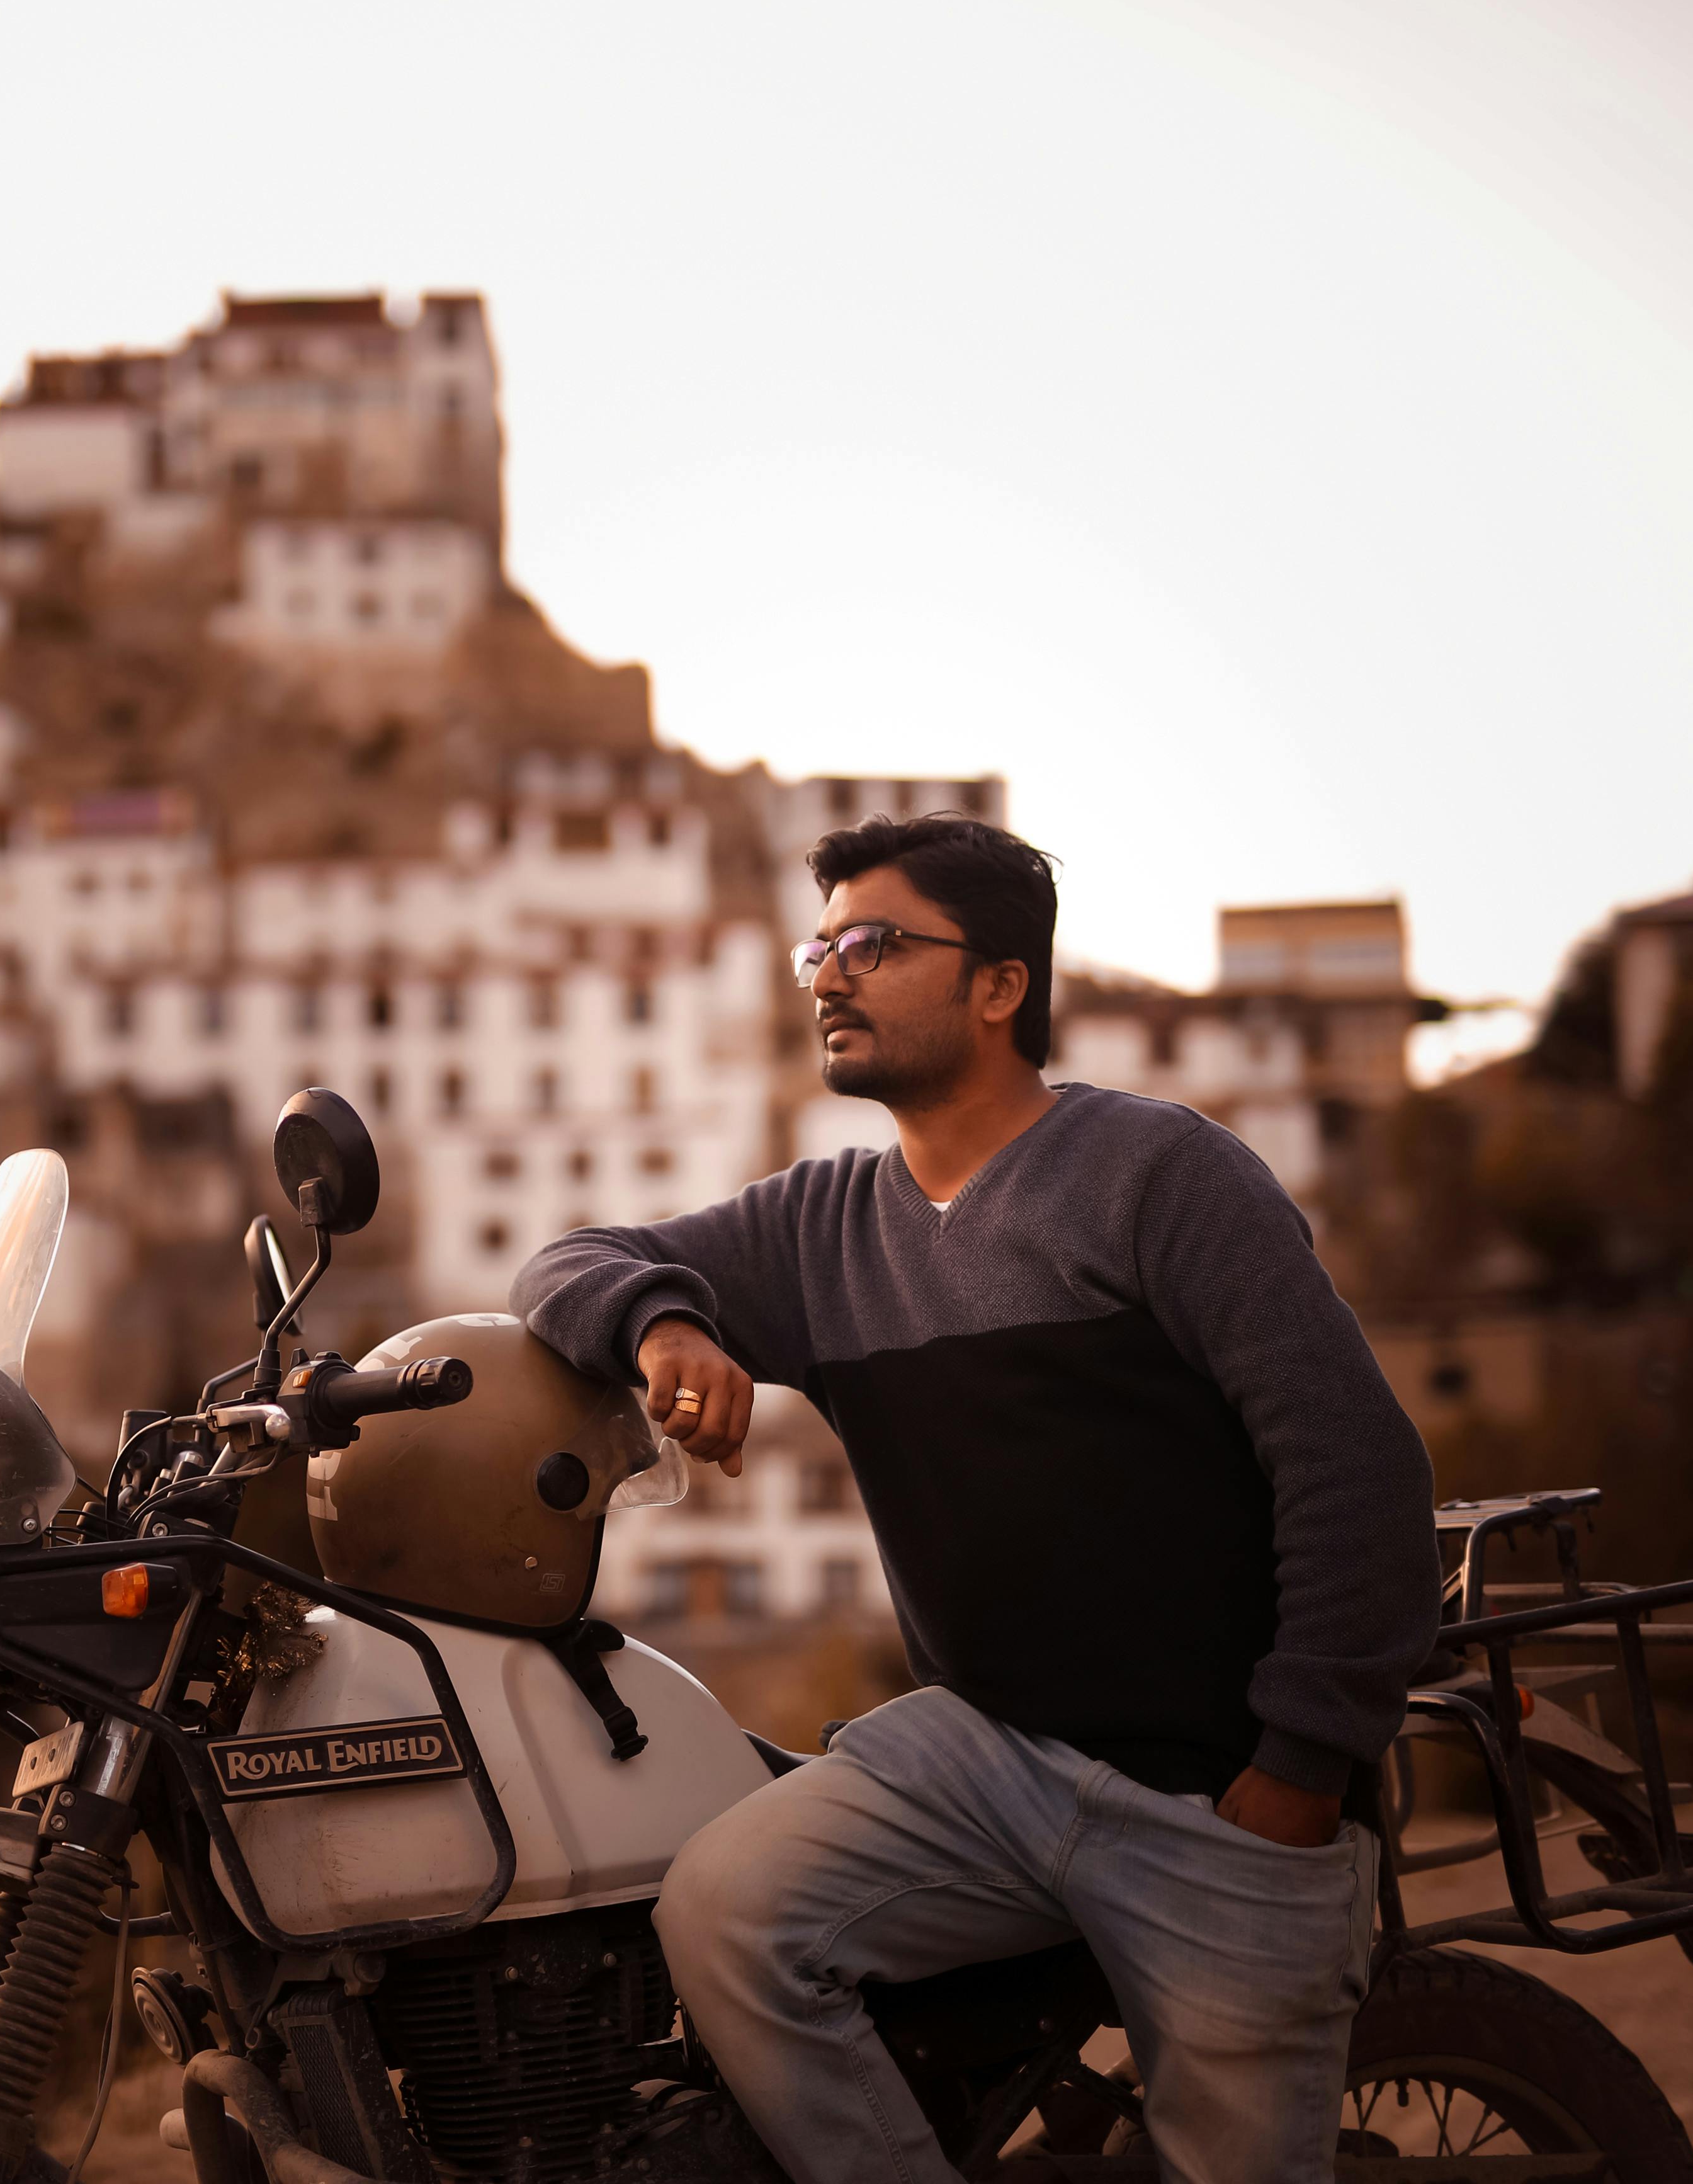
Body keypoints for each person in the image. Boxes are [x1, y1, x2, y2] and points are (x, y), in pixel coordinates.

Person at [510, 813, 1438, 2184]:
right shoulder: (820, 1226)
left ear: (1001, 986)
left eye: (873, 944)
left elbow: (1358, 1466)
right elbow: (566, 1259)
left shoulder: (1160, 1174)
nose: (828, 974)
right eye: (818, 946)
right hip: (982, 1759)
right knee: (718, 1910)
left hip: (1217, 1793)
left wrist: (1299, 1772)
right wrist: (666, 1325)